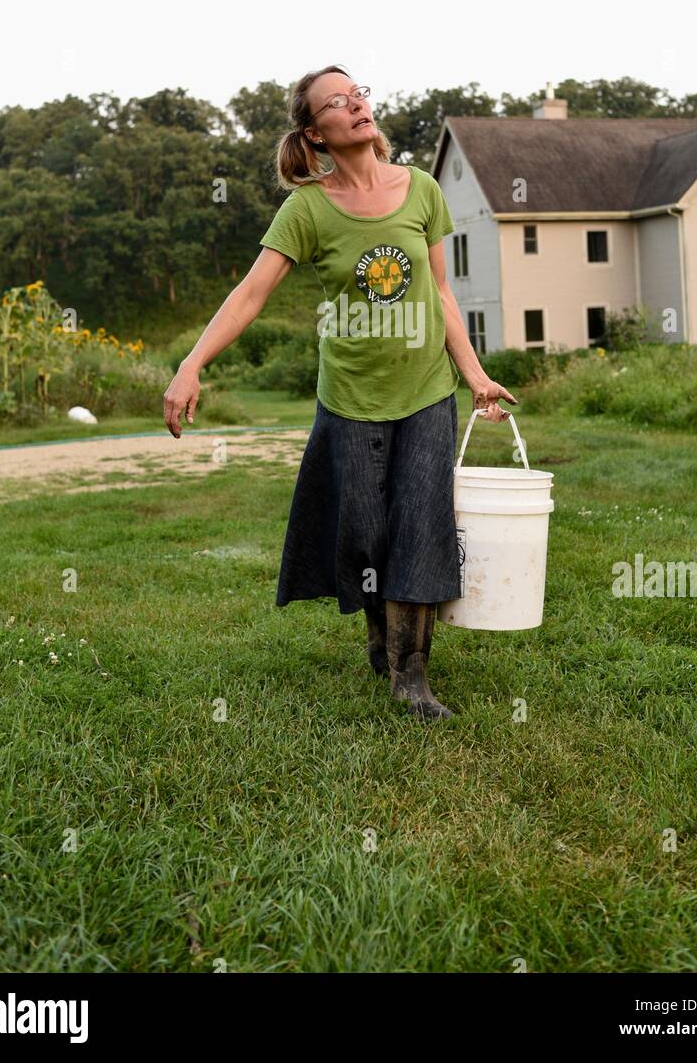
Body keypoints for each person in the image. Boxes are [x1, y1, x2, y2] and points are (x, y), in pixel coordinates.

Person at [163, 64, 515, 720]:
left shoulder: (421, 190)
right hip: (349, 396)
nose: (355, 106)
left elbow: (440, 293)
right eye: (337, 101)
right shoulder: (307, 208)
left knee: (418, 526)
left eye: (359, 93)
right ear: (315, 133)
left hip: (424, 393)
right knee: (363, 532)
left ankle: (411, 676)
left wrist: (474, 375)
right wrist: (192, 363)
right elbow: (251, 294)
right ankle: (380, 633)